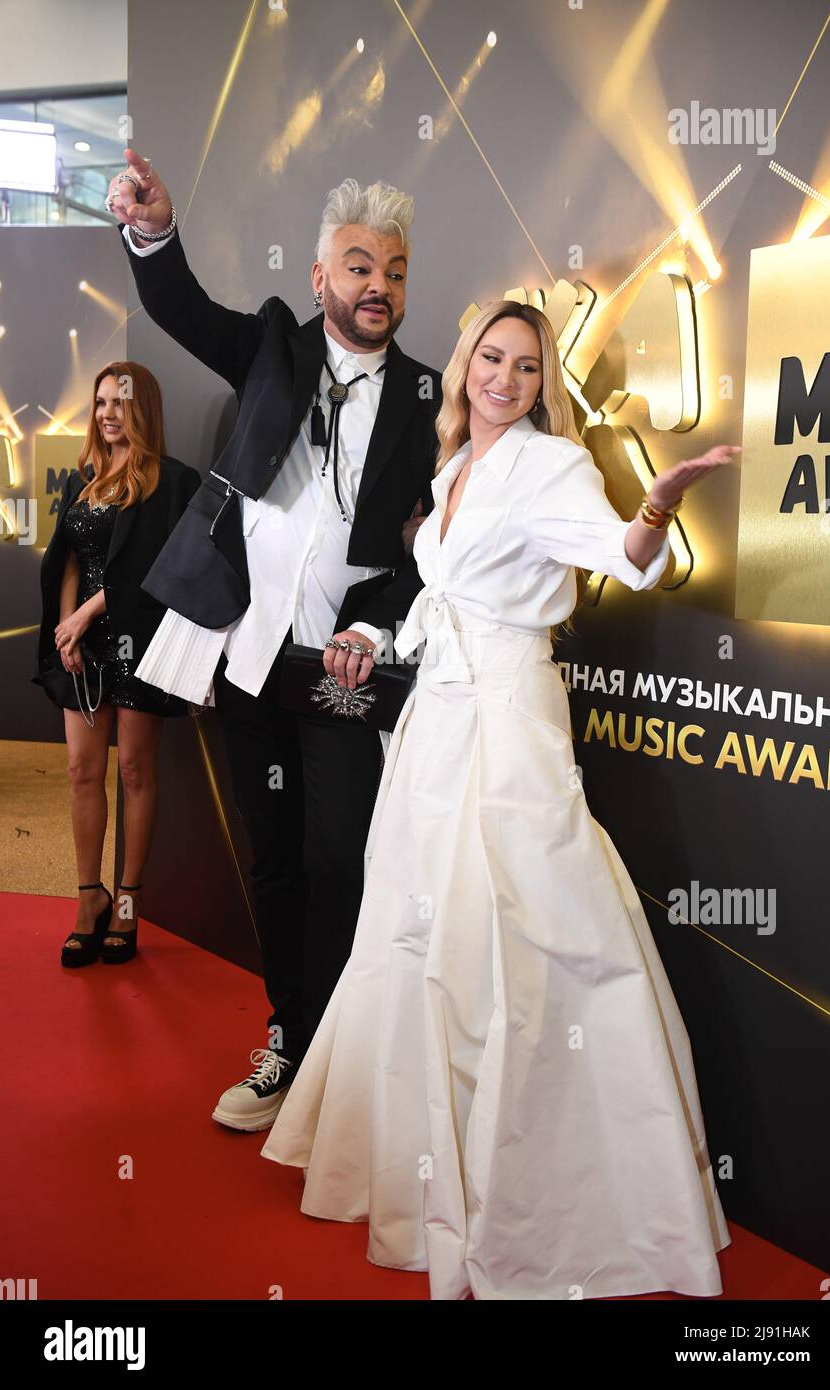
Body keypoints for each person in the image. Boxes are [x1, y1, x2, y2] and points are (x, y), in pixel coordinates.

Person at [261, 300, 740, 1301]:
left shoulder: (548, 465)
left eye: (525, 367)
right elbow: (437, 600)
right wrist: (377, 639)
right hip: (433, 722)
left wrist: (652, 509)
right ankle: (411, 1164)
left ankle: (548, 1198)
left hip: (509, 720)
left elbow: (624, 556)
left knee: (527, 933)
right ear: (465, 363)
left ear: (539, 385)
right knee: (410, 932)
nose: (504, 378)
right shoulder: (449, 474)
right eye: (490, 357)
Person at [105, 150, 442, 1131]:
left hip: (339, 675)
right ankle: (290, 1042)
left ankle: (348, 1050)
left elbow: (428, 552)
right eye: (358, 265)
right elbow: (179, 307)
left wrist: (373, 630)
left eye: (393, 269)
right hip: (247, 656)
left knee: (343, 858)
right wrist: (152, 233)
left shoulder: (430, 399)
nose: (377, 284)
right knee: (277, 860)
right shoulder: (270, 350)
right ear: (320, 277)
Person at [33, 361, 201, 967]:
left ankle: (127, 902)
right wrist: (65, 627)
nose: (106, 413)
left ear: (142, 409)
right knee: (82, 770)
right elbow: (70, 559)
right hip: (82, 647)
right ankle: (89, 899)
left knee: (133, 769)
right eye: (100, 401)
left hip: (138, 642)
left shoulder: (170, 482)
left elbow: (150, 568)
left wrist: (86, 618)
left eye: (119, 403)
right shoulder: (86, 479)